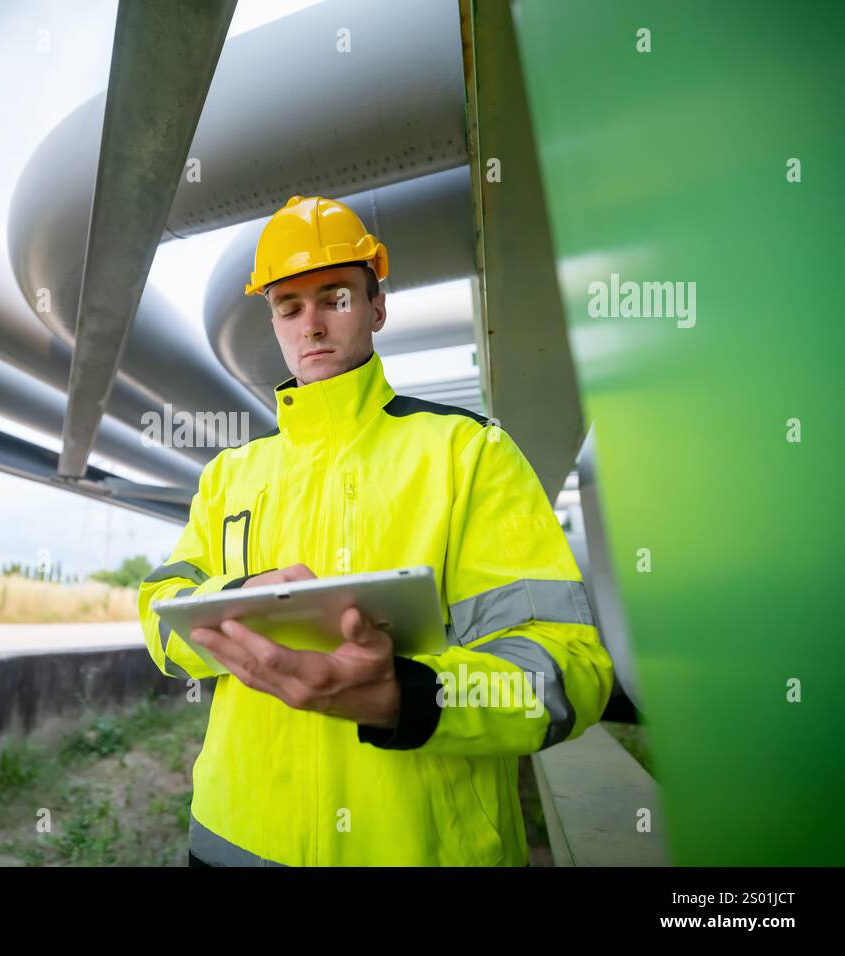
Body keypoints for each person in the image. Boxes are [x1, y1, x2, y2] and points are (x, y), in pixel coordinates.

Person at [138, 195, 614, 866]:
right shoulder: (229, 476)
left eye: (335, 297)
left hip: (418, 848)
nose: (312, 326)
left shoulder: (469, 454)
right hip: (235, 843)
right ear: (272, 321)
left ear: (377, 308)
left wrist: (407, 696)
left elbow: (566, 671)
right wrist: (241, 593)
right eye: (289, 306)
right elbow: (159, 613)